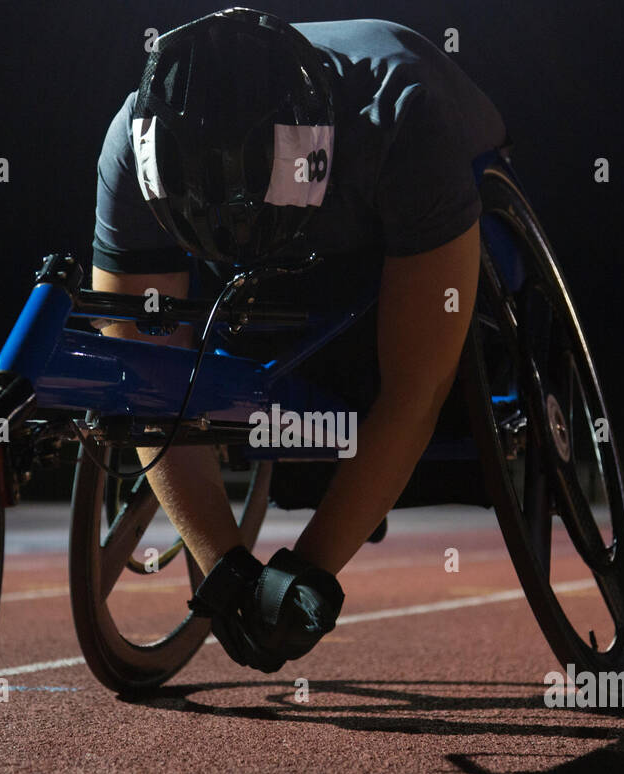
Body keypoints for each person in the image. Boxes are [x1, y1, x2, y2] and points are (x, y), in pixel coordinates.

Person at [91, 8, 507, 672]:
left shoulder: (402, 116)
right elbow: (146, 380)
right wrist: (224, 569)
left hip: (404, 192)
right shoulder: (132, 141)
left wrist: (311, 570)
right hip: (303, 225)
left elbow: (415, 392)